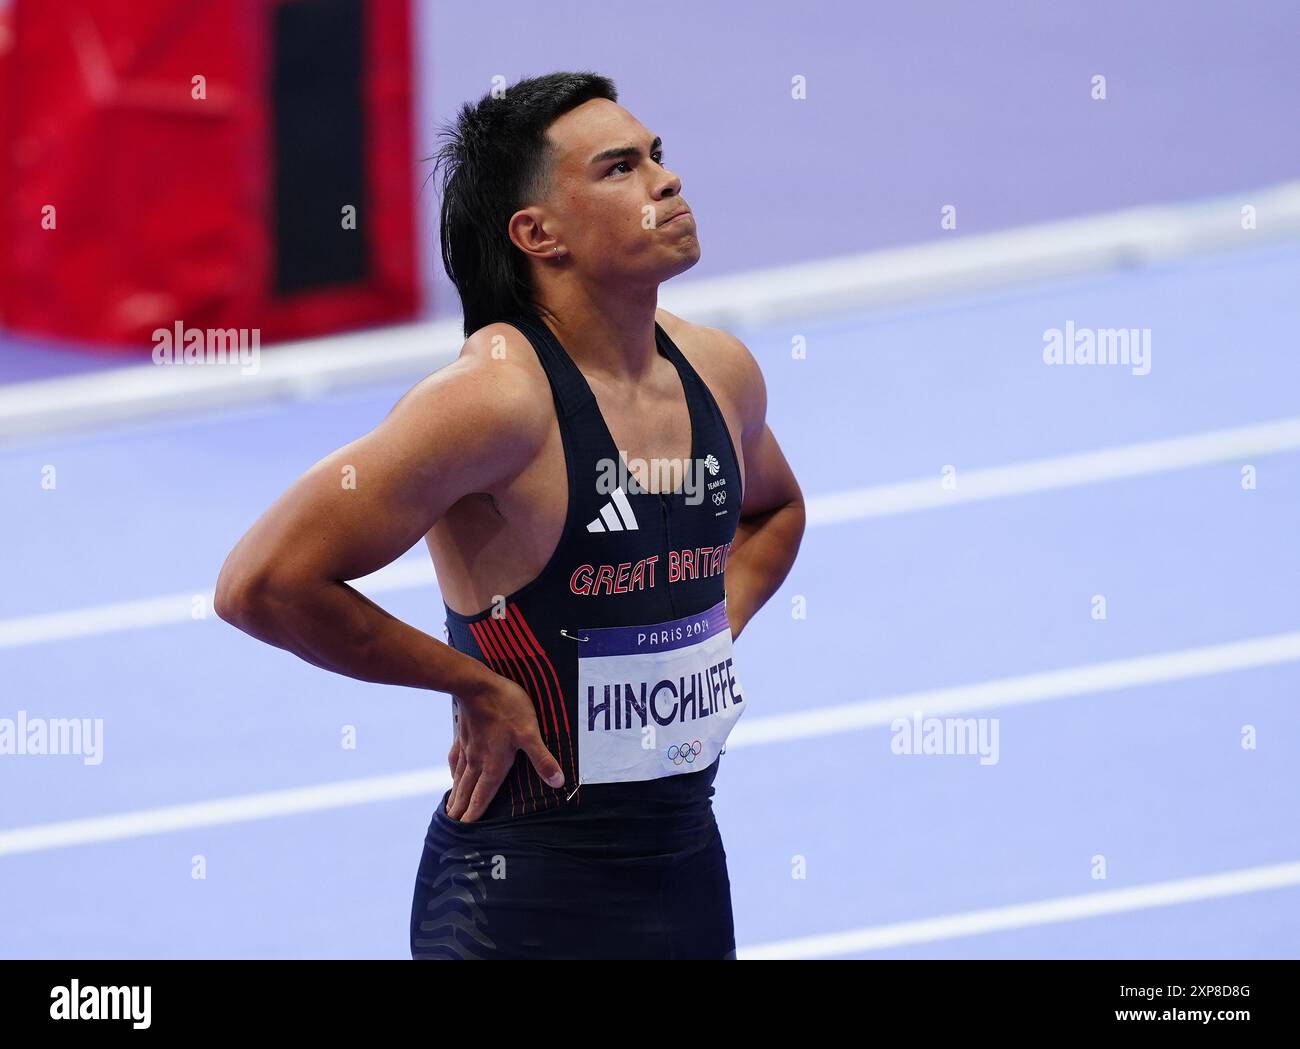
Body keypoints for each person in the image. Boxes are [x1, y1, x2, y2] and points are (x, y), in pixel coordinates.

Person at [215, 71, 805, 959]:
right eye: (618, 169)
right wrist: (474, 684)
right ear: (538, 233)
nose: (665, 181)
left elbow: (777, 510)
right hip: (518, 896)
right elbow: (261, 584)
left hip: (686, 870)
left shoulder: (719, 370)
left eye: (657, 156)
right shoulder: (495, 402)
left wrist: (701, 632)